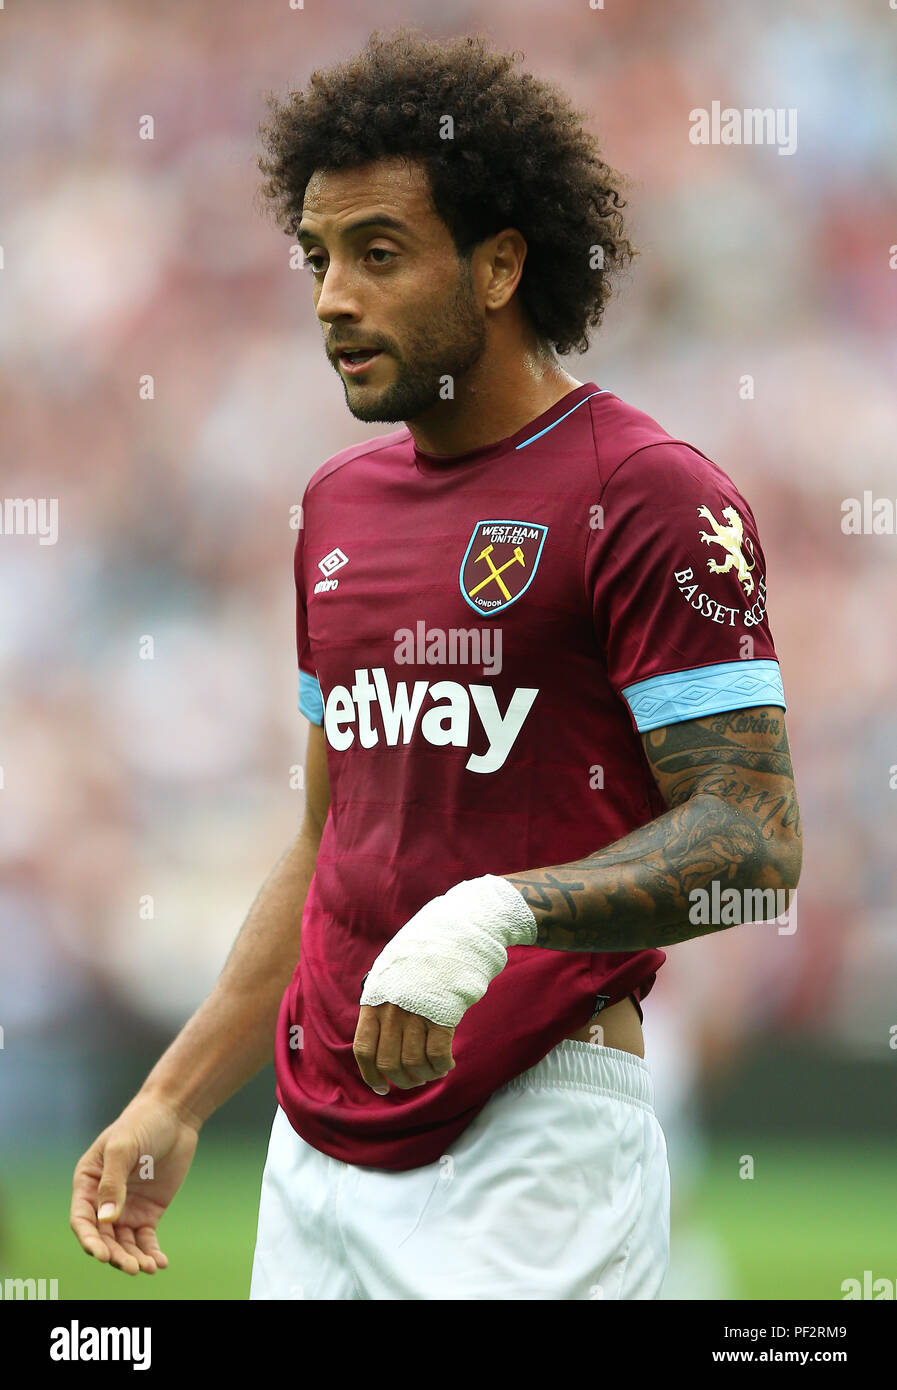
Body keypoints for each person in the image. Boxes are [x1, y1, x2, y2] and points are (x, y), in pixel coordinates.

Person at [70, 30, 801, 1300]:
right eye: (318, 256)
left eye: (379, 253)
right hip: (314, 1138)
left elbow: (754, 838)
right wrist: (175, 1096)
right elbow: (326, 843)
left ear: (503, 262)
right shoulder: (337, 506)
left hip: (537, 1132)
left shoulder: (646, 494)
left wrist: (498, 909)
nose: (329, 297)